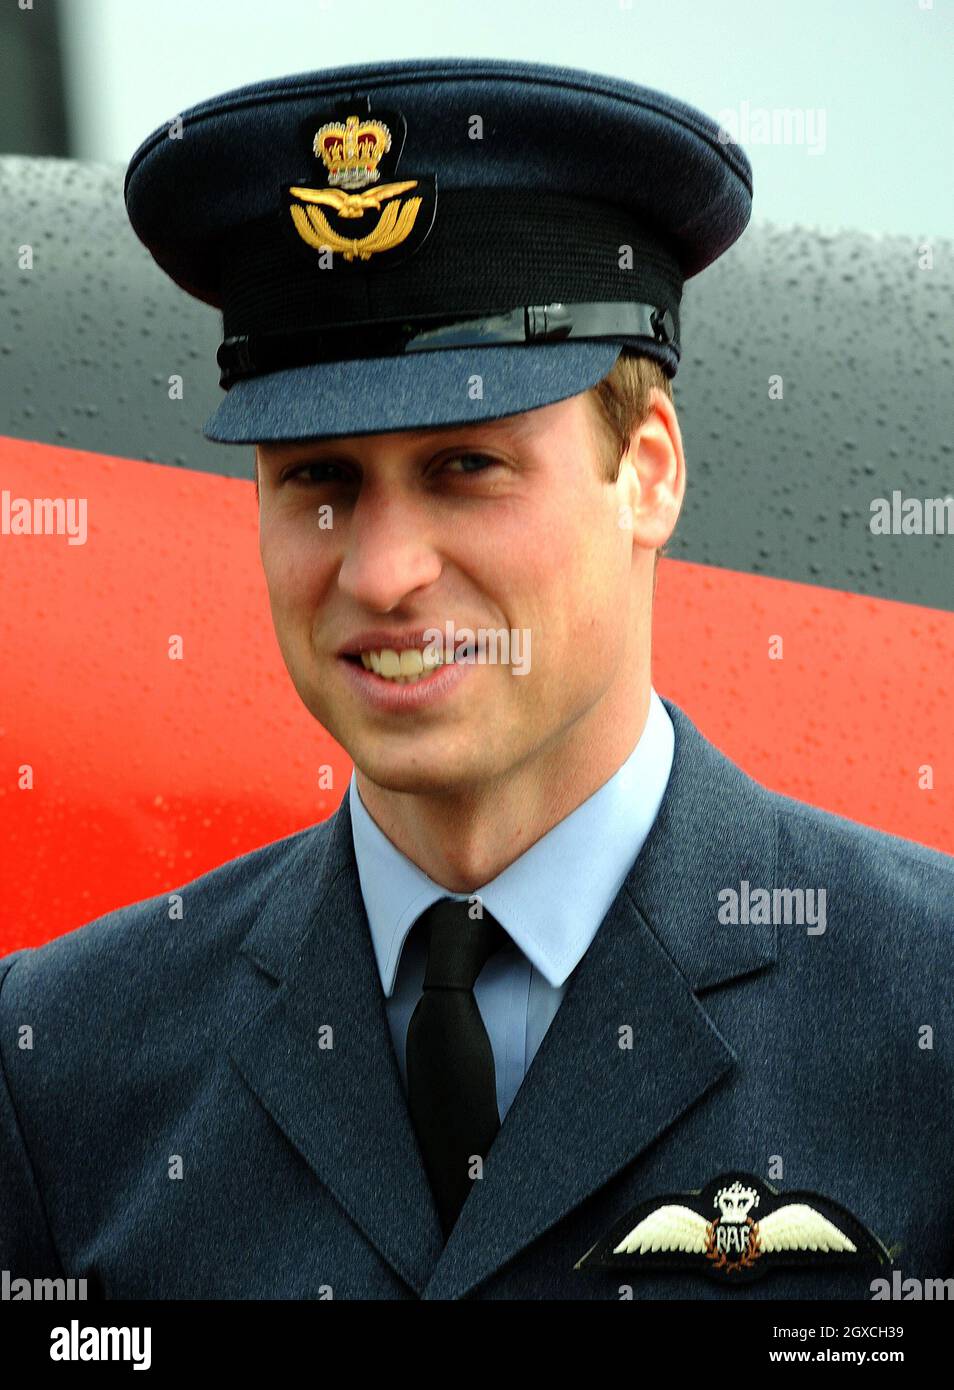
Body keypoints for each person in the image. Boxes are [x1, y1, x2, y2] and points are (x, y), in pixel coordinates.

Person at [1, 57, 952, 1302]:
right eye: (320, 480)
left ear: (648, 472)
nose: (385, 570)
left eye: (465, 466)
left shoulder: (925, 1013)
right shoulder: (63, 1065)